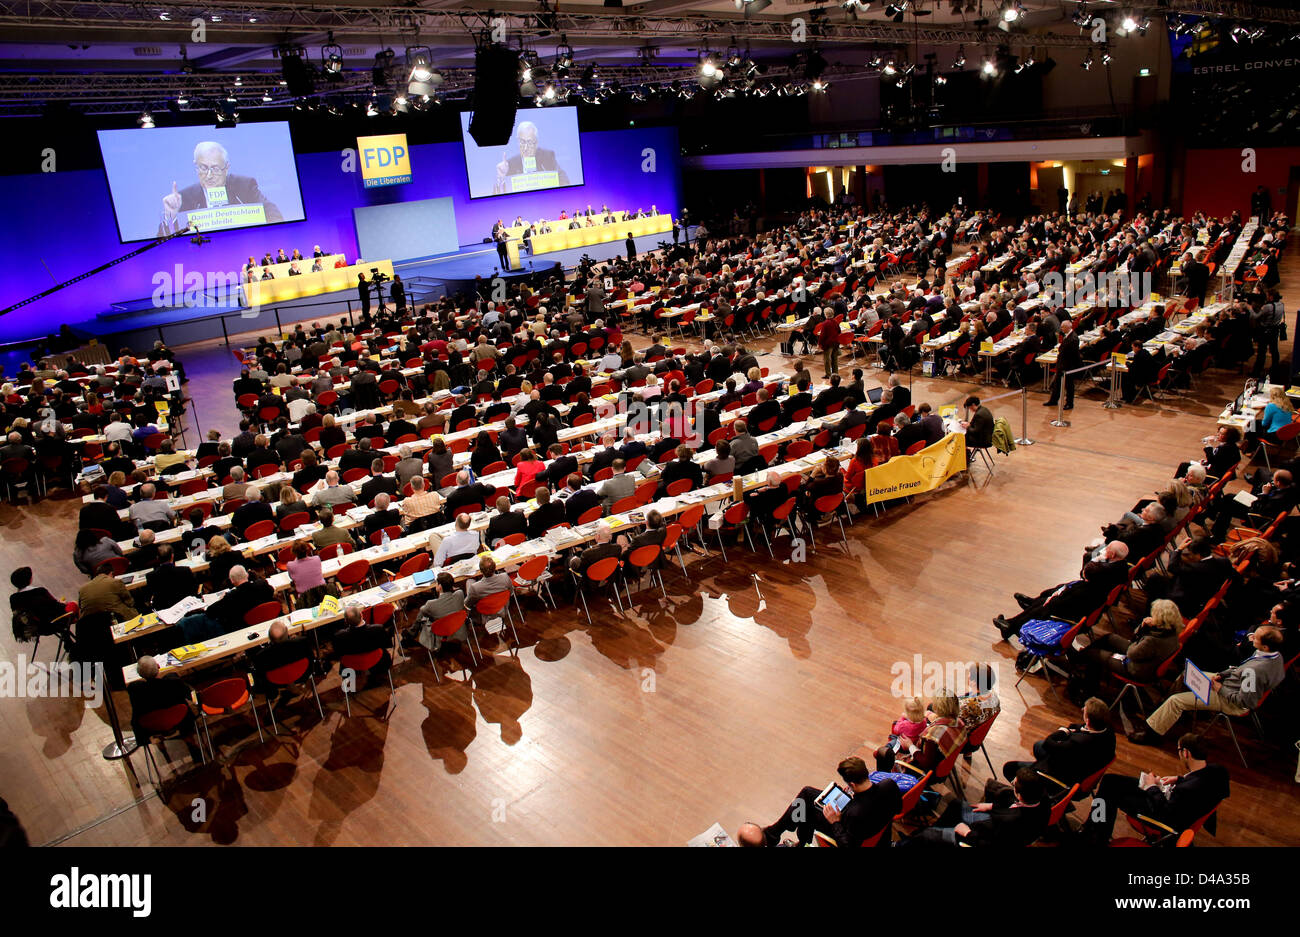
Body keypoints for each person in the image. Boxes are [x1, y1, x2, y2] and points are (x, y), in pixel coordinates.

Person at [1129, 626, 1286, 744]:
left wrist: (1220, 688)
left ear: (1265, 646)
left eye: (1255, 638)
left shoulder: (1255, 671)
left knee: (1176, 701)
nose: (1250, 638)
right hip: (1230, 684)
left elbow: (1245, 701)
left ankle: (1152, 735)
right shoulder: (1276, 656)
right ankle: (1163, 714)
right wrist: (1222, 675)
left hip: (1230, 700)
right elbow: (1240, 670)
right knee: (1187, 674)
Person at [1079, 733, 1230, 845]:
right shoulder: (1218, 771)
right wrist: (1178, 779)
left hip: (1160, 815)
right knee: (1110, 781)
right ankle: (1092, 827)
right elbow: (1198, 782)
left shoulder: (1185, 790)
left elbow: (1165, 811)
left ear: (1186, 753)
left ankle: (1095, 836)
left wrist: (1152, 786)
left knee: (1109, 794)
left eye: (1179, 751)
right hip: (1174, 802)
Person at [761, 756, 900, 847]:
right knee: (808, 793)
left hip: (851, 830)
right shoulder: (889, 784)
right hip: (879, 832)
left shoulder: (854, 813)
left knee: (809, 809)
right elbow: (898, 808)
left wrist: (835, 822)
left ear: (852, 784)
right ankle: (778, 833)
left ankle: (790, 838)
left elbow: (846, 845)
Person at [158, 141, 284, 236]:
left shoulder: (244, 186)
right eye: (203, 168)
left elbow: (274, 215)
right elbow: (161, 238)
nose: (209, 175)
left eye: (216, 169)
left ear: (227, 168)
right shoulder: (184, 197)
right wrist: (171, 215)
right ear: (195, 166)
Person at [903, 767, 1048, 847]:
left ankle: (900, 845)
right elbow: (1012, 805)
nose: (1011, 784)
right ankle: (932, 830)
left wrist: (967, 833)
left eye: (1013, 785)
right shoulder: (1041, 798)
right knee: (956, 804)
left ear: (1020, 795)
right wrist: (991, 806)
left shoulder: (1011, 823)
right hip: (993, 822)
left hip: (980, 837)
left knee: (928, 836)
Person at [1001, 697, 1117, 786]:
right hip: (1084, 767)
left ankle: (1030, 793)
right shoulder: (1108, 732)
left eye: (1084, 712)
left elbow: (1049, 743)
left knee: (1009, 768)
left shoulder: (1078, 743)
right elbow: (1076, 726)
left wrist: (1062, 731)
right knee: (1038, 746)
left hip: (1063, 776)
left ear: (1088, 721)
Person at [492, 121, 570, 195]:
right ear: (517, 142)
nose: (525, 148)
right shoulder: (509, 165)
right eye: (522, 142)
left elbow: (565, 181)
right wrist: (500, 177)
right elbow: (496, 194)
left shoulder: (547, 157)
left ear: (536, 143)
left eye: (529, 142)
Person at [1044, 320, 1081, 410]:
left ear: (1068, 327)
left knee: (1069, 385)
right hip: (1062, 364)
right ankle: (1053, 400)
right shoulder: (1068, 336)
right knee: (1057, 384)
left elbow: (1072, 354)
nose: (1061, 328)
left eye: (1063, 327)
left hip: (1067, 365)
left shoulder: (1073, 338)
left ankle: (1069, 403)